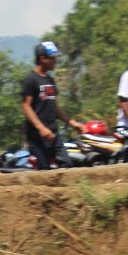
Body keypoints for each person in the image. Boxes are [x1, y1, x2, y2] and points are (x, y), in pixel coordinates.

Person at [19, 40, 77, 170]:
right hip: (37, 136)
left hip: (53, 132)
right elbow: (26, 106)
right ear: (42, 59)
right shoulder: (30, 79)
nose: (55, 61)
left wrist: (72, 123)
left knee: (68, 164)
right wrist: (41, 128)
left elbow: (55, 107)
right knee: (44, 169)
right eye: (52, 58)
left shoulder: (49, 80)